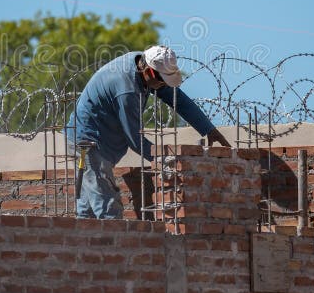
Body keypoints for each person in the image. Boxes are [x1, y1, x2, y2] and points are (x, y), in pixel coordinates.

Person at [67, 45, 230, 219]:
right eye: (161, 82)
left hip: (99, 140)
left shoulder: (142, 63)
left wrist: (208, 129)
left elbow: (178, 99)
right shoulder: (127, 89)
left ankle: (84, 243)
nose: (162, 86)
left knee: (87, 211)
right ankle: (114, 244)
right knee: (107, 208)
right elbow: (134, 138)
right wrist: (163, 161)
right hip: (89, 143)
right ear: (150, 73)